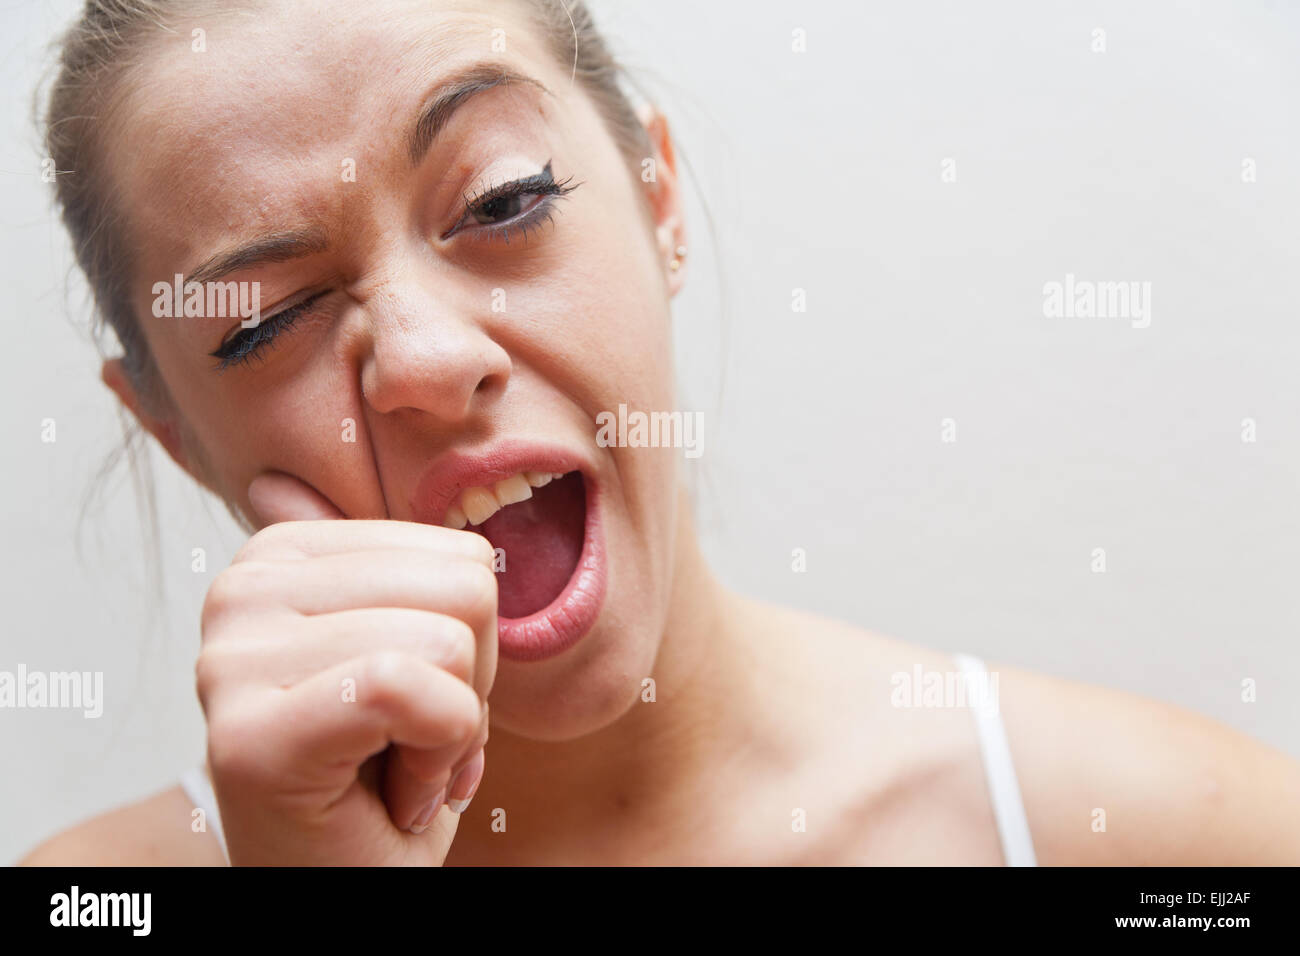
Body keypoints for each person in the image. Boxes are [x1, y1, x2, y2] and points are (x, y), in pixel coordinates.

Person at [21, 0, 1300, 866]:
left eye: (504, 198)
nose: (423, 360)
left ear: (658, 199)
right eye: (266, 320)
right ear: (175, 431)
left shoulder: (1165, 840)